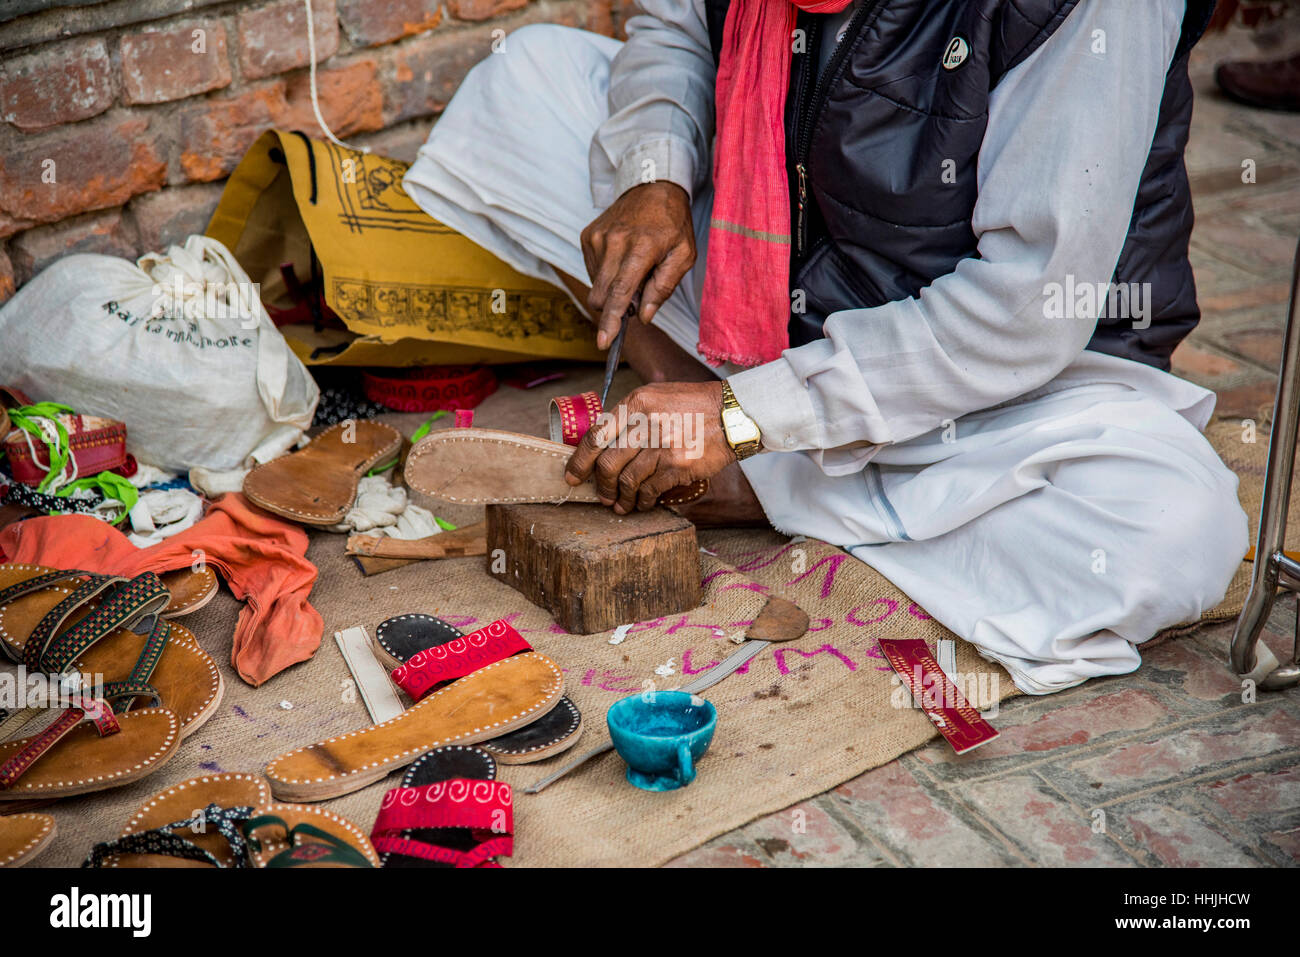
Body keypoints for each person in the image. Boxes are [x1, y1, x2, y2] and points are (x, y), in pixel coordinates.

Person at [403, 0, 1249, 694]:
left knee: (1175, 526)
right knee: (524, 80)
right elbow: (677, 25)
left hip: (1013, 376)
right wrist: (655, 174)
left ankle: (768, 478)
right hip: (782, 291)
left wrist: (746, 416)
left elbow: (1022, 313)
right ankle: (805, 450)